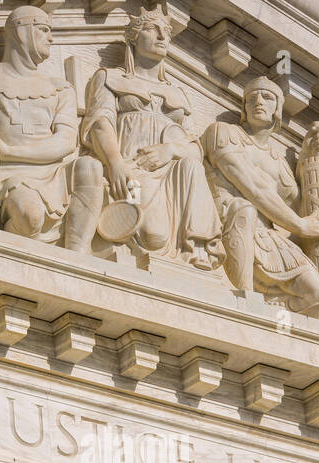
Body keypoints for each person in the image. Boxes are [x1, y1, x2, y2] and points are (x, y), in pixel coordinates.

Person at [72, 4, 222, 268]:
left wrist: (170, 150)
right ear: (132, 36)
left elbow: (195, 148)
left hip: (171, 172)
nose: (163, 37)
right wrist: (115, 163)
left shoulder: (179, 94)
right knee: (154, 235)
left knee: (191, 165)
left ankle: (198, 248)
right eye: (153, 30)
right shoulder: (109, 77)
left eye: (166, 31)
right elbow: (99, 124)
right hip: (131, 169)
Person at [201, 76, 319, 315]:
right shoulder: (222, 133)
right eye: (251, 98)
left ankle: (272, 311)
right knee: (245, 209)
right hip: (228, 224)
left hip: (266, 238)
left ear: (278, 108)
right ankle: (244, 301)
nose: (258, 102)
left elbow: (299, 207)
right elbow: (252, 186)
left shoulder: (278, 162)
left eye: (267, 97)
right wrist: (300, 226)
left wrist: (309, 159)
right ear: (243, 107)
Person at [0, 7, 79, 244]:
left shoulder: (61, 88)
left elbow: (66, 142)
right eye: (43, 30)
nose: (51, 38)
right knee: (29, 214)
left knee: (90, 168)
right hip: (10, 174)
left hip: (54, 172)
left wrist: (9, 151)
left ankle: (80, 255)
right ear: (21, 31)